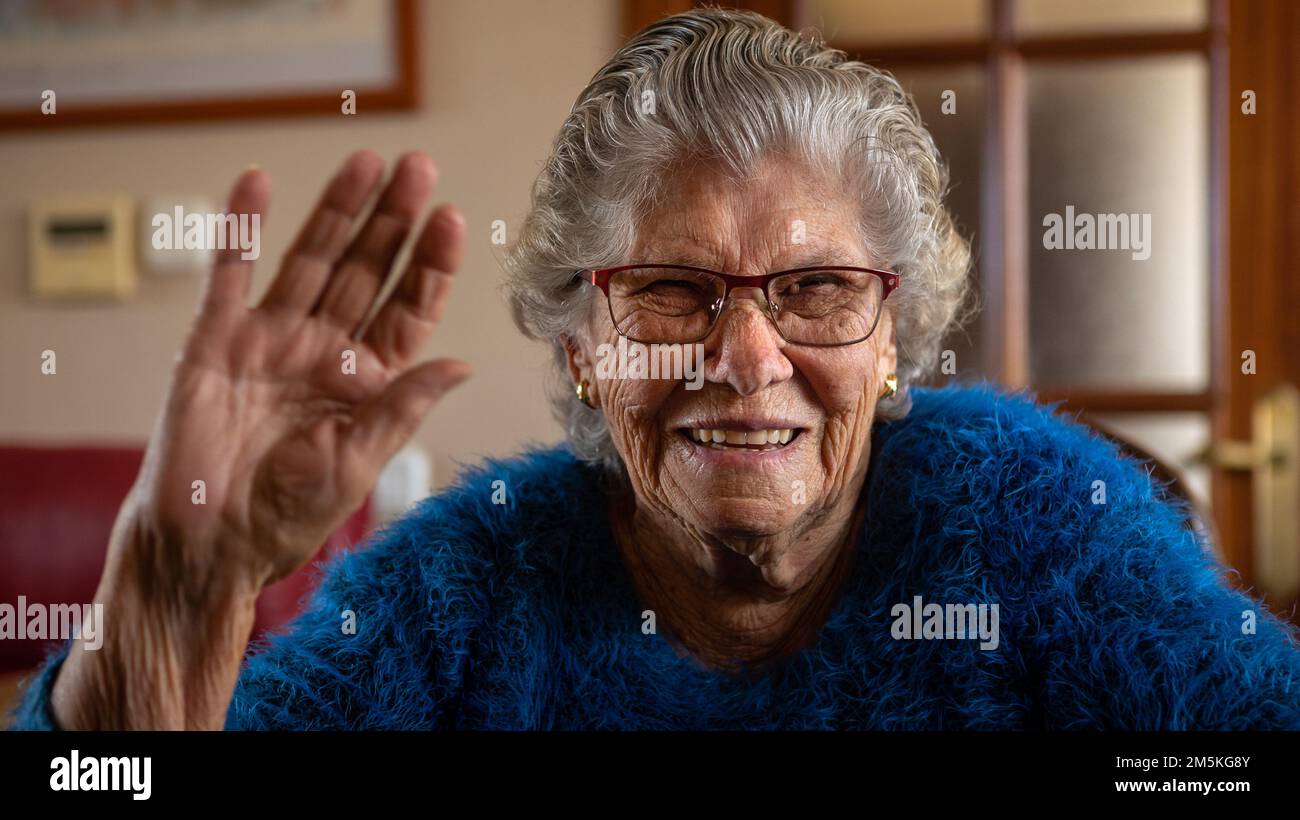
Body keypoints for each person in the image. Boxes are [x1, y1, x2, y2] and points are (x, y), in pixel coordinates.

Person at [12, 8, 1300, 730]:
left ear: (893, 337)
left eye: (817, 291)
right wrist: (161, 616)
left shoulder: (1032, 521)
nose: (748, 359)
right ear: (582, 343)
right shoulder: (463, 592)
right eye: (676, 290)